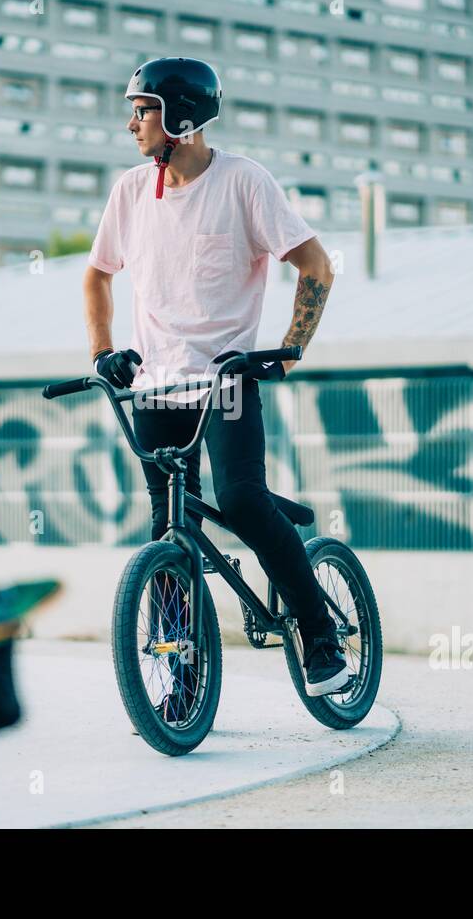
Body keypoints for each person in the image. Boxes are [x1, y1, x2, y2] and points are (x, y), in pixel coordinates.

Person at [82, 56, 353, 705]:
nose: (131, 123)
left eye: (141, 109)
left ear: (179, 115)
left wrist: (285, 353)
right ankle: (181, 679)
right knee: (167, 530)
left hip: (226, 382)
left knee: (241, 500)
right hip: (152, 388)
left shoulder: (243, 182)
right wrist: (104, 352)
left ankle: (319, 634)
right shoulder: (129, 192)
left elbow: (315, 265)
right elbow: (97, 275)